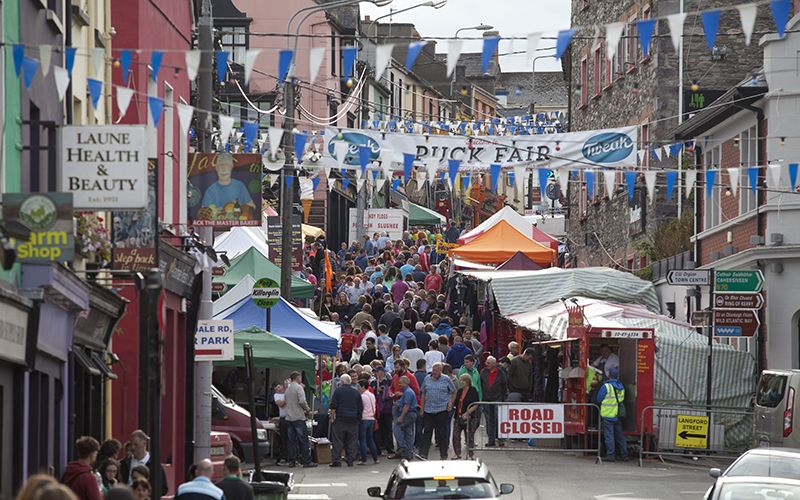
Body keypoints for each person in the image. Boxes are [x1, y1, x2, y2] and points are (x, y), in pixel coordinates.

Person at [418, 363, 456, 460]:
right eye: (433, 370)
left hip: (441, 410)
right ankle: (423, 454)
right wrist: (422, 408)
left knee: (441, 433)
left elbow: (454, 391)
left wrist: (450, 403)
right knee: (427, 431)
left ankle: (443, 454)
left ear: (441, 371)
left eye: (437, 370)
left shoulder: (446, 379)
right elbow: (423, 393)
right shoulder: (427, 379)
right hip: (428, 410)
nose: (434, 372)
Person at [120, 429, 169, 496]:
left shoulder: (155, 465)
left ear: (144, 443)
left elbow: (163, 488)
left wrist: (145, 495)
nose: (132, 447)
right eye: (131, 444)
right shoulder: (124, 463)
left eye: (136, 444)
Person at [329, 374, 362, 467]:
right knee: (352, 440)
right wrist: (358, 419)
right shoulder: (356, 392)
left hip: (340, 419)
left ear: (342, 382)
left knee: (337, 440)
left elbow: (333, 406)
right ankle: (350, 459)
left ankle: (336, 460)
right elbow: (360, 407)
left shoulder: (338, 391)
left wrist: (332, 418)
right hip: (353, 419)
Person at [285, 372, 317, 468]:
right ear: (298, 378)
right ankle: (306, 461)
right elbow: (302, 401)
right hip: (298, 417)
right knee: (303, 440)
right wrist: (307, 409)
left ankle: (292, 461)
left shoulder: (287, 389)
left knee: (291, 441)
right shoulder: (299, 388)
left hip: (289, 417)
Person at [598, 367, 629, 462]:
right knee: (620, 436)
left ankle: (611, 455)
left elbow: (599, 399)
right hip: (617, 415)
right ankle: (624, 455)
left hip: (607, 415)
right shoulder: (621, 386)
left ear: (609, 375)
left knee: (609, 436)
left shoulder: (606, 386)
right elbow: (621, 399)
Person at [61, 436, 102, 500]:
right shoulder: (89, 477)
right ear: (91, 453)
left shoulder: (68, 470)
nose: (96, 454)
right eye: (96, 452)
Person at [480, 356, 509, 447]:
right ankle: (491, 440)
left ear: (494, 364)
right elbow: (481, 384)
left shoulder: (500, 372)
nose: (486, 364)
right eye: (486, 362)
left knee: (498, 419)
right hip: (486, 400)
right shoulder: (483, 372)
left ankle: (500, 440)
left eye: (488, 363)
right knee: (489, 421)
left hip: (497, 399)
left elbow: (504, 385)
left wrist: (503, 398)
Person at [452, 374, 480, 460]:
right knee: (455, 435)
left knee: (469, 436)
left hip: (469, 417)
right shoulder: (459, 391)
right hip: (458, 416)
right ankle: (457, 453)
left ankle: (470, 454)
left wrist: (468, 412)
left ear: (467, 381)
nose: (461, 382)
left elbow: (475, 404)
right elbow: (456, 402)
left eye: (462, 381)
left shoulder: (473, 390)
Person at [391, 376, 418, 460]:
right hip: (410, 414)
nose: (399, 385)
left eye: (400, 383)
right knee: (408, 433)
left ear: (405, 383)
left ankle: (402, 445)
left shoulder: (408, 392)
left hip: (409, 414)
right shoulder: (406, 392)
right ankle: (408, 454)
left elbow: (407, 406)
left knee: (396, 426)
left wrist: (401, 417)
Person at [357, 380, 380, 465]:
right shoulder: (372, 395)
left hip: (364, 418)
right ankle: (375, 458)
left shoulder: (362, 396)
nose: (358, 388)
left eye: (359, 386)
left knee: (362, 440)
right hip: (371, 418)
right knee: (370, 439)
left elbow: (360, 408)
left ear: (363, 386)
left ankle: (364, 459)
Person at [374, 366, 395, 455]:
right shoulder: (373, 382)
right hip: (378, 409)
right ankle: (380, 447)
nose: (375, 374)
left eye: (377, 372)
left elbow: (391, 392)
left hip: (387, 409)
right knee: (379, 429)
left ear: (382, 372)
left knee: (388, 429)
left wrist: (384, 391)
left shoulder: (388, 381)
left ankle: (389, 447)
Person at [272, 383, 289, 466]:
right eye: (276, 388)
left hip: (291, 418)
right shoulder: (276, 396)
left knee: (291, 439)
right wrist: (287, 398)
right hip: (283, 419)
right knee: (284, 439)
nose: (278, 389)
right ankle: (284, 457)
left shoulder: (287, 393)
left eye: (279, 386)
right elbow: (280, 404)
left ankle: (292, 457)